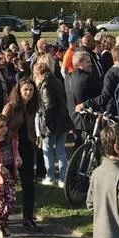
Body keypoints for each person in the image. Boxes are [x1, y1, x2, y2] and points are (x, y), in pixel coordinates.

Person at [3, 79, 42, 233]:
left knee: (28, 183)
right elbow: (0, 125)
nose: (28, 93)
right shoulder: (11, 107)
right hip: (9, 146)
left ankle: (28, 217)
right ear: (19, 91)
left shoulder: (32, 107)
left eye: (31, 90)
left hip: (27, 146)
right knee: (6, 183)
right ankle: (2, 216)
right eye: (25, 89)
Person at [34, 59, 71, 188]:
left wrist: (45, 123)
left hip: (51, 123)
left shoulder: (45, 85)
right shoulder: (57, 81)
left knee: (47, 149)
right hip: (63, 120)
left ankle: (50, 176)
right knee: (61, 150)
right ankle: (63, 178)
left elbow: (48, 105)